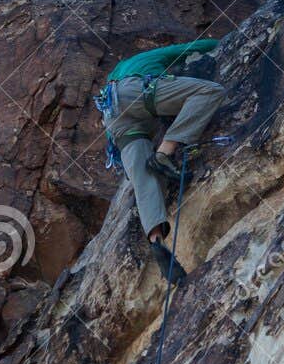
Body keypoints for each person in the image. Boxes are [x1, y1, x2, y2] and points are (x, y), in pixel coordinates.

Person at [95, 38, 225, 283]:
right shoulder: (151, 59)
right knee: (209, 92)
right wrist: (217, 42)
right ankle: (165, 152)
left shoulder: (116, 71)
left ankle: (156, 239)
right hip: (137, 91)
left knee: (144, 177)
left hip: (112, 116)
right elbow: (184, 49)